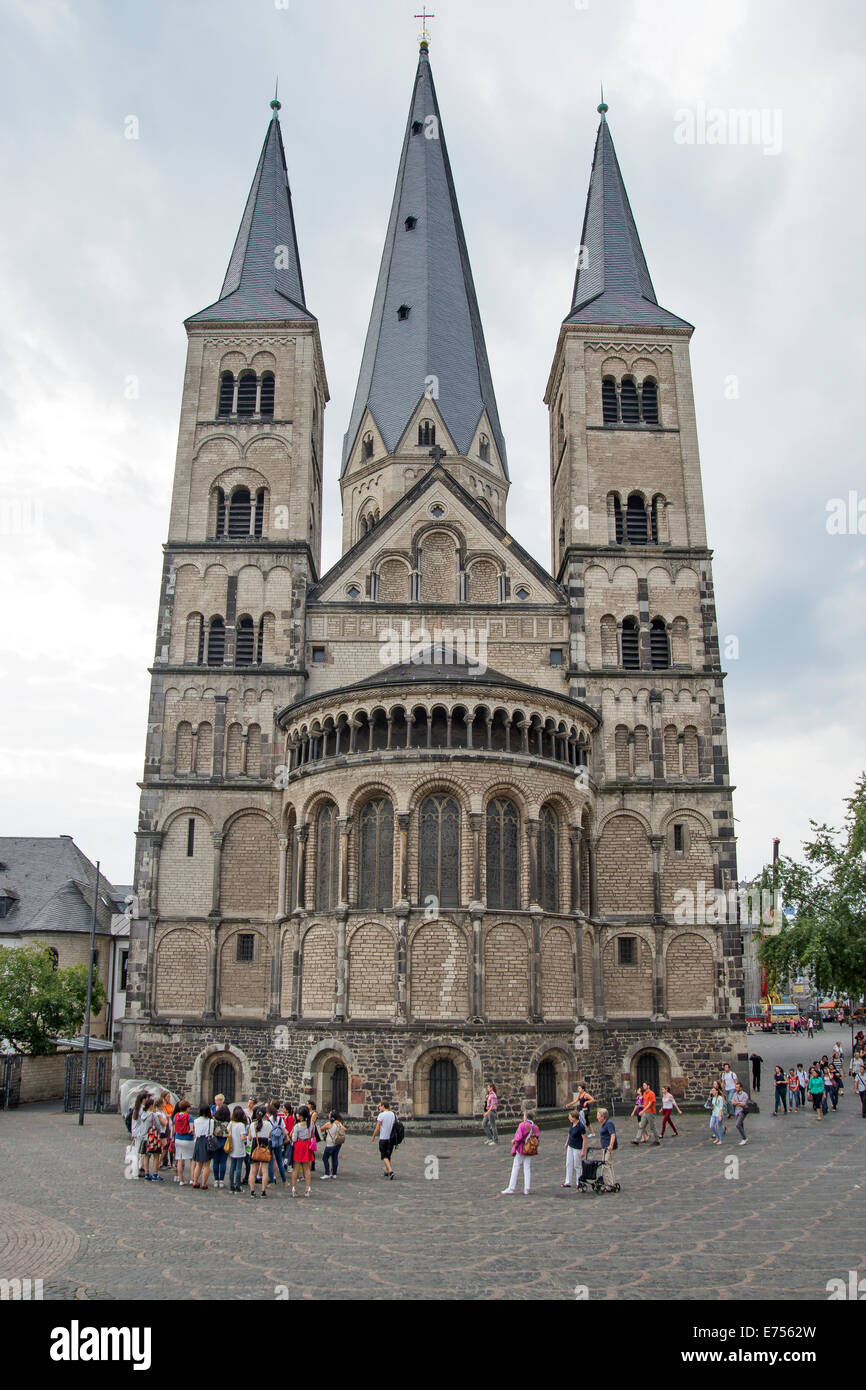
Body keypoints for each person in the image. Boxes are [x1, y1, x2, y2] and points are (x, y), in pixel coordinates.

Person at [501, 1110, 537, 1195]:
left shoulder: (522, 1125)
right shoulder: (535, 1127)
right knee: (527, 1168)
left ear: (526, 1117)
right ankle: (527, 1188)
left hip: (521, 1148)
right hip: (530, 1149)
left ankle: (511, 1187)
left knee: (516, 1167)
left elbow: (518, 1137)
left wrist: (514, 1141)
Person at [248, 1106, 273, 1197]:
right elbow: (270, 1135)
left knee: (253, 1170)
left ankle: (252, 1191)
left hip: (255, 1145)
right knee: (264, 1170)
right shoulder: (268, 1124)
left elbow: (250, 1137)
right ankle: (263, 1191)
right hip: (265, 1145)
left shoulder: (252, 1125)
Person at [290, 1105, 314, 1196]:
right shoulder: (310, 1124)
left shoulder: (297, 1126)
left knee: (295, 1168)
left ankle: (294, 1187)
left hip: (299, 1145)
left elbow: (294, 1138)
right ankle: (307, 1188)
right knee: (307, 1168)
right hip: (307, 1144)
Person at [371, 1100, 397, 1180]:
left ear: (383, 1106)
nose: (379, 1107)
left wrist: (373, 1136)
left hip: (383, 1138)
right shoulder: (392, 1114)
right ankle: (386, 1171)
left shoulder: (381, 1115)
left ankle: (391, 1171)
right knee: (388, 1155)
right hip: (391, 1138)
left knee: (384, 1156)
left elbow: (378, 1127)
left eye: (380, 1106)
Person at [191, 1104, 215, 1189]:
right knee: (206, 1165)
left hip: (198, 1140)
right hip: (207, 1140)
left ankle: (195, 1181)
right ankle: (204, 1184)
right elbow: (211, 1132)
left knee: (198, 1164)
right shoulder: (210, 1121)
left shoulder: (196, 1120)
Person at [172, 1101, 195, 1185]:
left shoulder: (176, 1116)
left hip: (178, 1139)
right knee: (192, 1160)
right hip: (188, 1139)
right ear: (187, 1108)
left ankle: (181, 1180)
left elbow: (174, 1129)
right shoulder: (189, 1117)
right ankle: (192, 1179)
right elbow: (191, 1129)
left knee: (180, 1159)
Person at [562, 1109, 586, 1188]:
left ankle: (579, 1182)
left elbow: (584, 1139)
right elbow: (570, 1133)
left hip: (577, 1147)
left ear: (574, 1117)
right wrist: (566, 1142)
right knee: (568, 1163)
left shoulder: (580, 1126)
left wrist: (583, 1150)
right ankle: (568, 1181)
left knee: (577, 1165)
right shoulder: (571, 1124)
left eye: (570, 1117)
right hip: (571, 1146)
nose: (569, 1118)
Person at [267, 1101, 288, 1186]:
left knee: (270, 1162)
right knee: (280, 1161)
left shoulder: (269, 1120)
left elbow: (269, 1133)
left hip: (271, 1142)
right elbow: (284, 1131)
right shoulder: (280, 1119)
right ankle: (284, 1181)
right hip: (279, 1142)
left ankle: (271, 1181)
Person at [228, 1105, 248, 1192]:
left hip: (232, 1148)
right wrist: (246, 1140)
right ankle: (237, 1185)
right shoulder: (241, 1125)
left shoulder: (231, 1124)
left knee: (232, 1167)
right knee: (239, 1168)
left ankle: (231, 1184)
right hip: (239, 1148)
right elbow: (243, 1138)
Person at [321, 1111, 346, 1179]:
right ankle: (334, 1173)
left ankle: (327, 1173)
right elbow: (344, 1129)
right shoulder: (339, 1123)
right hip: (337, 1143)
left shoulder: (329, 1124)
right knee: (334, 1157)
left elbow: (321, 1128)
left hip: (330, 1143)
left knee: (325, 1158)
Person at [211, 1103, 231, 1188]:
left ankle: (216, 1180)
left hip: (216, 1141)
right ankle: (222, 1181)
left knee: (215, 1161)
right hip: (225, 1141)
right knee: (223, 1161)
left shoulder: (215, 1120)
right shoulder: (229, 1121)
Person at [597, 1108, 617, 1187]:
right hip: (605, 1148)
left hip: (609, 1148)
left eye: (598, 1116)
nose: (597, 1117)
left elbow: (612, 1134)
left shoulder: (609, 1123)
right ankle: (612, 1182)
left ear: (603, 1116)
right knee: (608, 1164)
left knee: (606, 1165)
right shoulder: (605, 1123)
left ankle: (609, 1184)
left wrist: (611, 1145)